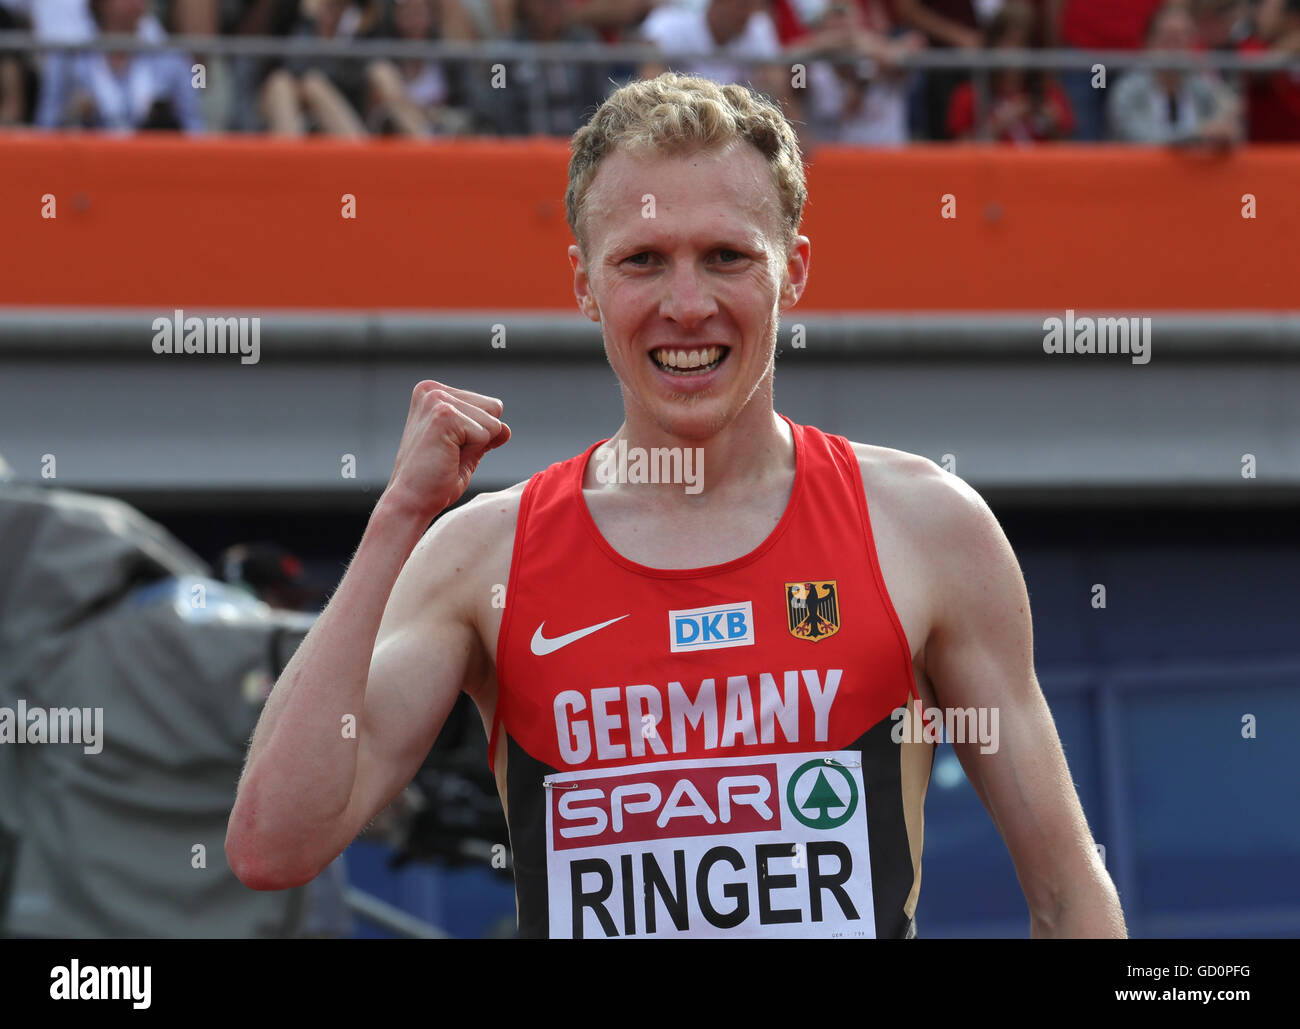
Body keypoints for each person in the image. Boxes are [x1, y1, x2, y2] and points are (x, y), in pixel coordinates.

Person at [226, 71, 1127, 939]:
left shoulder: (927, 529)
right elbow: (274, 841)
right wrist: (394, 522)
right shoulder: (485, 555)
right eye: (644, 262)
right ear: (584, 284)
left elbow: (1069, 895)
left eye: (727, 257)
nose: (686, 305)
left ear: (794, 271)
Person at [34, 0, 204, 132]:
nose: (134, 2)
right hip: (87, 163)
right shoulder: (69, 57)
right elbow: (47, 124)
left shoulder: (173, 58)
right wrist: (73, 114)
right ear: (101, 4)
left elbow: (193, 126)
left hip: (152, 164)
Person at [1108, 1, 1241, 144]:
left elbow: (1229, 123)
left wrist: (1225, 125)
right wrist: (1197, 133)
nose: (1174, 49)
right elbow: (1138, 138)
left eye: (1182, 39)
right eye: (1167, 39)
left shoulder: (1205, 86)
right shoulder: (1127, 90)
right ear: (1148, 42)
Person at [946, 1, 1074, 142]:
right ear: (992, 44)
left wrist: (1054, 125)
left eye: (1022, 43)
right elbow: (961, 153)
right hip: (993, 164)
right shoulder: (969, 95)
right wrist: (1004, 121)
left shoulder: (1049, 94)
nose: (1015, 53)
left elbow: (1069, 152)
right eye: (1008, 43)